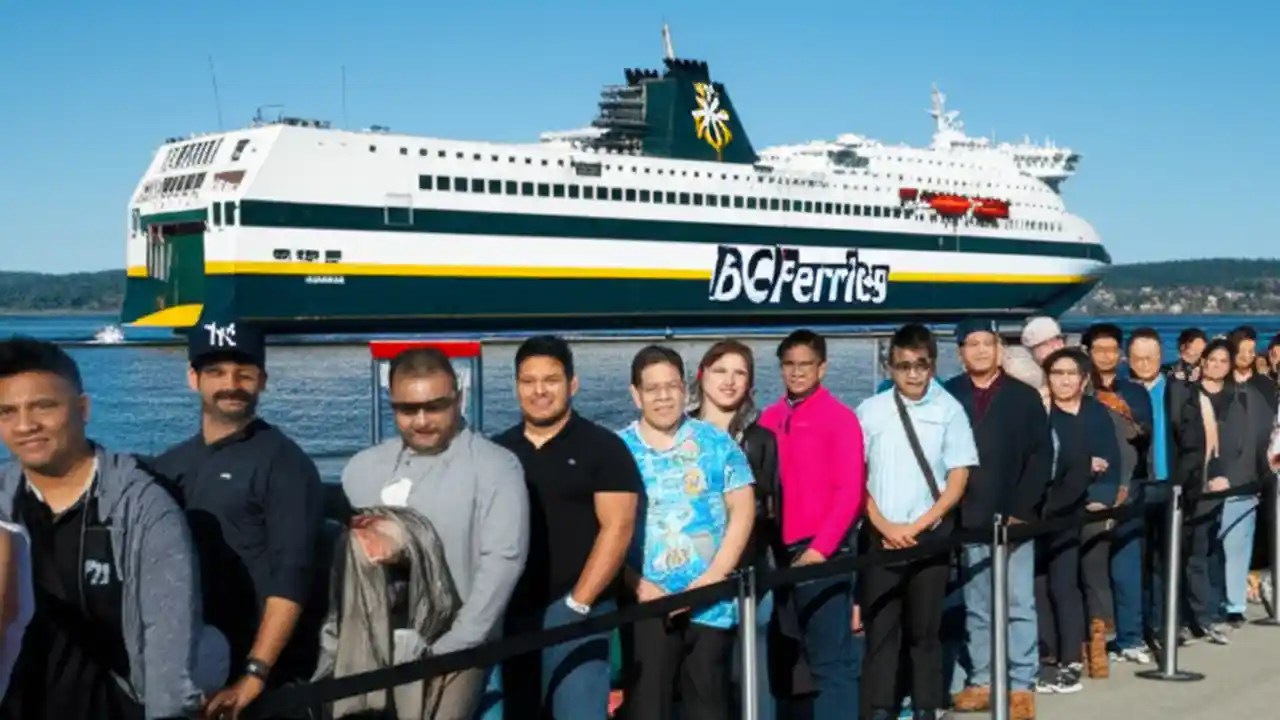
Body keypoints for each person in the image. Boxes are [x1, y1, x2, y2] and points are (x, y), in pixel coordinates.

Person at [0, 337, 225, 719]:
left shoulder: (142, 509)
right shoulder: (6, 505)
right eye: (7, 412)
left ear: (83, 408)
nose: (26, 425)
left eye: (44, 406)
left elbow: (168, 643)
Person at [341, 347, 530, 718]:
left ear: (458, 398)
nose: (422, 420)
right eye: (407, 410)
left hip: (465, 651)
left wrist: (452, 649)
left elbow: (502, 563)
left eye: (436, 406)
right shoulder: (360, 470)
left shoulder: (496, 467)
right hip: (376, 652)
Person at [150, 316, 325, 715]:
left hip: (257, 673)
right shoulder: (170, 464)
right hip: (187, 662)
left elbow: (292, 575)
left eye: (244, 373)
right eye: (216, 372)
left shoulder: (285, 464)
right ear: (193, 379)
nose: (231, 384)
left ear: (262, 380)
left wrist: (254, 674)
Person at [494, 336, 641, 720]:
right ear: (516, 386)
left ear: (572, 384)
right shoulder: (497, 453)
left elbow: (619, 526)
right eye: (528, 381)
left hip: (580, 613)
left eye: (551, 380)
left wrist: (579, 602)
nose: (539, 391)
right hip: (513, 616)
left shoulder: (604, 448)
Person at [616, 345, 755, 720]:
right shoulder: (618, 450)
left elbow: (742, 510)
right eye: (652, 388)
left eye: (672, 386)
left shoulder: (716, 443)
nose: (664, 397)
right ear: (636, 394)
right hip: (647, 603)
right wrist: (639, 586)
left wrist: (711, 580)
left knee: (708, 707)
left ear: (685, 389)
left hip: (711, 604)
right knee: (648, 707)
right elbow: (607, 529)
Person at [856, 323, 976, 720]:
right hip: (881, 538)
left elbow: (958, 476)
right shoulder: (870, 411)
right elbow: (857, 476)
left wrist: (923, 523)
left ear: (932, 365)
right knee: (881, 634)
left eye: (921, 365)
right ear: (890, 366)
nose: (912, 374)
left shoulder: (949, 411)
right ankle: (878, 709)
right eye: (903, 365)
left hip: (929, 537)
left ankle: (926, 707)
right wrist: (884, 526)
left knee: (925, 632)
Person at [944, 319, 1050, 720]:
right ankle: (983, 678)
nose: (982, 351)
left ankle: (1022, 684)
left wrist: (1023, 509)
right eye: (972, 344)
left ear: (1000, 350)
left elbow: (1042, 456)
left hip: (1015, 516)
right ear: (960, 352)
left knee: (1019, 602)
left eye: (988, 343)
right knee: (978, 604)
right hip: (969, 514)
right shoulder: (948, 395)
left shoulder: (1023, 397)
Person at [758, 329, 865, 720]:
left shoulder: (840, 418)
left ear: (823, 367)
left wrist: (821, 549)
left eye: (805, 364)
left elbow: (850, 491)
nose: (797, 372)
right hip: (777, 554)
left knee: (830, 661)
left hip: (824, 551)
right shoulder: (770, 418)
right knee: (785, 659)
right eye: (789, 364)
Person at [687, 339, 787, 720]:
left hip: (746, 576)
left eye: (739, 373)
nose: (729, 381)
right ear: (702, 375)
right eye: (720, 370)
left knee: (745, 674)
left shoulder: (761, 441)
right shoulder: (679, 433)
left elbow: (769, 511)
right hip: (684, 574)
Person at [1035, 348, 1119, 694]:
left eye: (1071, 373)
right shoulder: (1041, 413)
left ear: (1084, 379)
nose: (1064, 380)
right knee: (1040, 583)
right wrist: (1085, 463)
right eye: (1057, 373)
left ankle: (1074, 654)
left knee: (1068, 582)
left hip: (1084, 508)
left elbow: (1110, 460)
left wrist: (1102, 495)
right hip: (1042, 507)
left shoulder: (1096, 413)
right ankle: (1045, 654)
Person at [1125, 328, 1207, 656]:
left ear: (1160, 359)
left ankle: (1163, 624)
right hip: (1133, 490)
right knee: (1134, 562)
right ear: (1128, 360)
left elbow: (1193, 444)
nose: (1144, 364)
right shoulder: (1122, 393)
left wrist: (1180, 484)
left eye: (1150, 358)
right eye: (1137, 358)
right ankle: (1137, 627)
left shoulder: (1180, 392)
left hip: (1169, 487)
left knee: (1166, 561)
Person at [1081, 323, 1153, 669]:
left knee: (1127, 568)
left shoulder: (1134, 392)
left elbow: (1147, 434)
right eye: (1100, 350)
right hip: (1091, 492)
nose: (1107, 356)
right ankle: (1096, 641)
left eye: (1112, 350)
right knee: (1093, 573)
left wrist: (1138, 427)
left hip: (1131, 489)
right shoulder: (1079, 392)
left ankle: (1131, 637)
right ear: (1088, 353)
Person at [1201, 335, 1273, 630]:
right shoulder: (1192, 393)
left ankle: (1233, 604)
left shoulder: (1249, 394)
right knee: (1205, 547)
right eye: (1213, 360)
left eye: (1224, 360)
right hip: (1201, 482)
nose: (1219, 366)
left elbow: (1259, 438)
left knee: (1237, 544)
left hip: (1242, 482)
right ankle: (1208, 602)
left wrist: (1250, 477)